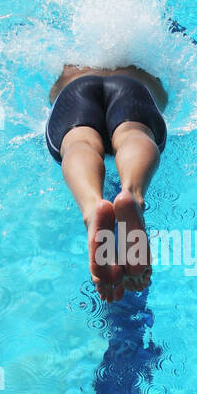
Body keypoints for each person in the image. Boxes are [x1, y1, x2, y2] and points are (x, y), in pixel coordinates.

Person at [46, 62, 168, 302]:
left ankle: (92, 207)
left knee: (78, 143)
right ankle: (132, 193)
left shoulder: (71, 47)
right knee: (134, 133)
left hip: (74, 89)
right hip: (134, 86)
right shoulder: (149, 33)